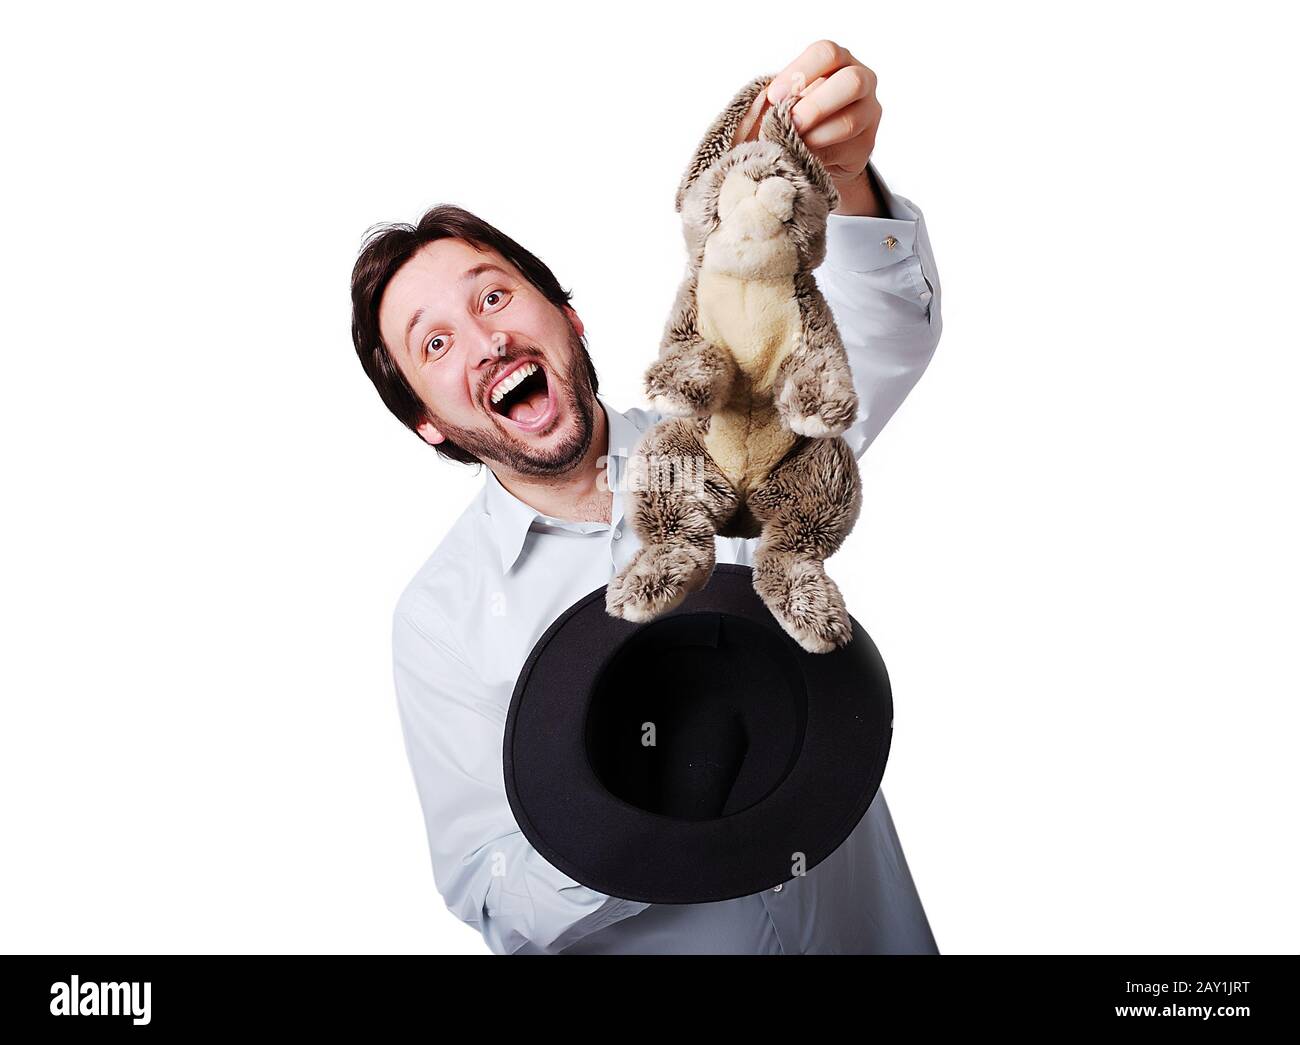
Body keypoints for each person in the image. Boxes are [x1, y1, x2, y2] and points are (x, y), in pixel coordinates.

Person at [350, 41, 943, 954]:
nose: (485, 341)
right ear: (428, 422)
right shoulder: (439, 618)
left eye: (496, 296)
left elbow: (880, 332)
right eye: (434, 345)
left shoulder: (728, 428)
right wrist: (627, 800)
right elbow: (490, 891)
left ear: (566, 316)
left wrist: (848, 181)